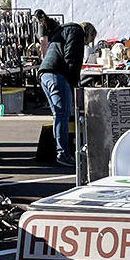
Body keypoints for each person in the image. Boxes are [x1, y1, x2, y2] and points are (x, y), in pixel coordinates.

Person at [39, 20, 97, 167]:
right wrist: (74, 82)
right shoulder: (76, 32)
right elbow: (71, 56)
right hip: (57, 73)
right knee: (62, 114)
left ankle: (60, 151)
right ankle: (63, 153)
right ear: (88, 35)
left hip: (45, 73)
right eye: (87, 42)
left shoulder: (63, 30)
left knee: (58, 114)